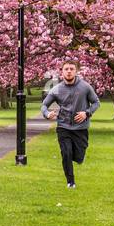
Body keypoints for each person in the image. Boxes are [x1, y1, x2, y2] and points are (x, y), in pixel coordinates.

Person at [39, 59, 101, 189]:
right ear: (62, 72)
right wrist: (47, 114)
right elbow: (44, 105)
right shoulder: (56, 89)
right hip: (63, 126)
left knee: (79, 157)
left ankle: (77, 156)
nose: (69, 71)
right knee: (66, 153)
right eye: (66, 69)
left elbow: (96, 103)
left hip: (81, 128)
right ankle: (70, 182)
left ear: (76, 71)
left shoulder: (85, 87)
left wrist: (87, 113)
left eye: (71, 69)